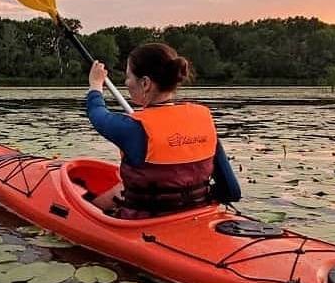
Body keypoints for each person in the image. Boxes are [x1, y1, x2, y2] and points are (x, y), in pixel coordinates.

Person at [85, 42, 242, 219]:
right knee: (119, 190)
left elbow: (97, 113)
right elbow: (232, 191)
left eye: (128, 76)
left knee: (102, 200)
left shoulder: (132, 128)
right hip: (198, 216)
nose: (125, 82)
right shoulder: (203, 118)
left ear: (145, 83)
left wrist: (96, 84)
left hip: (146, 224)